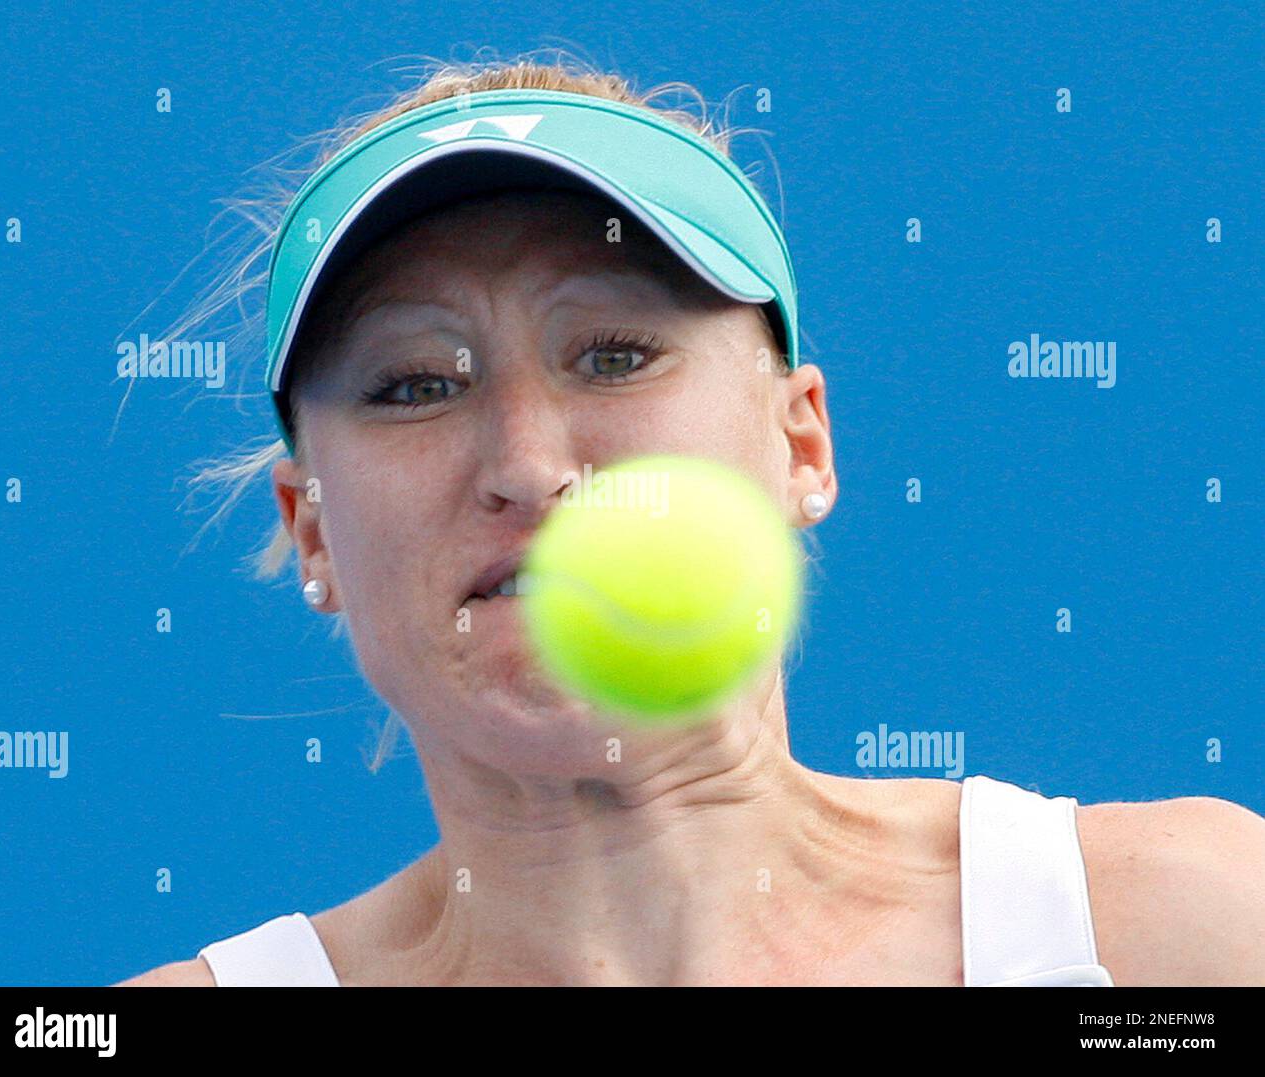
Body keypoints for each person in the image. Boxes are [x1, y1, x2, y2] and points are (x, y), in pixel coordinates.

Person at [117, 58, 1265, 987]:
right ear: (310, 528)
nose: (527, 467)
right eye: (415, 384)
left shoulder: (1181, 931)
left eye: (612, 357)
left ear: (800, 445)